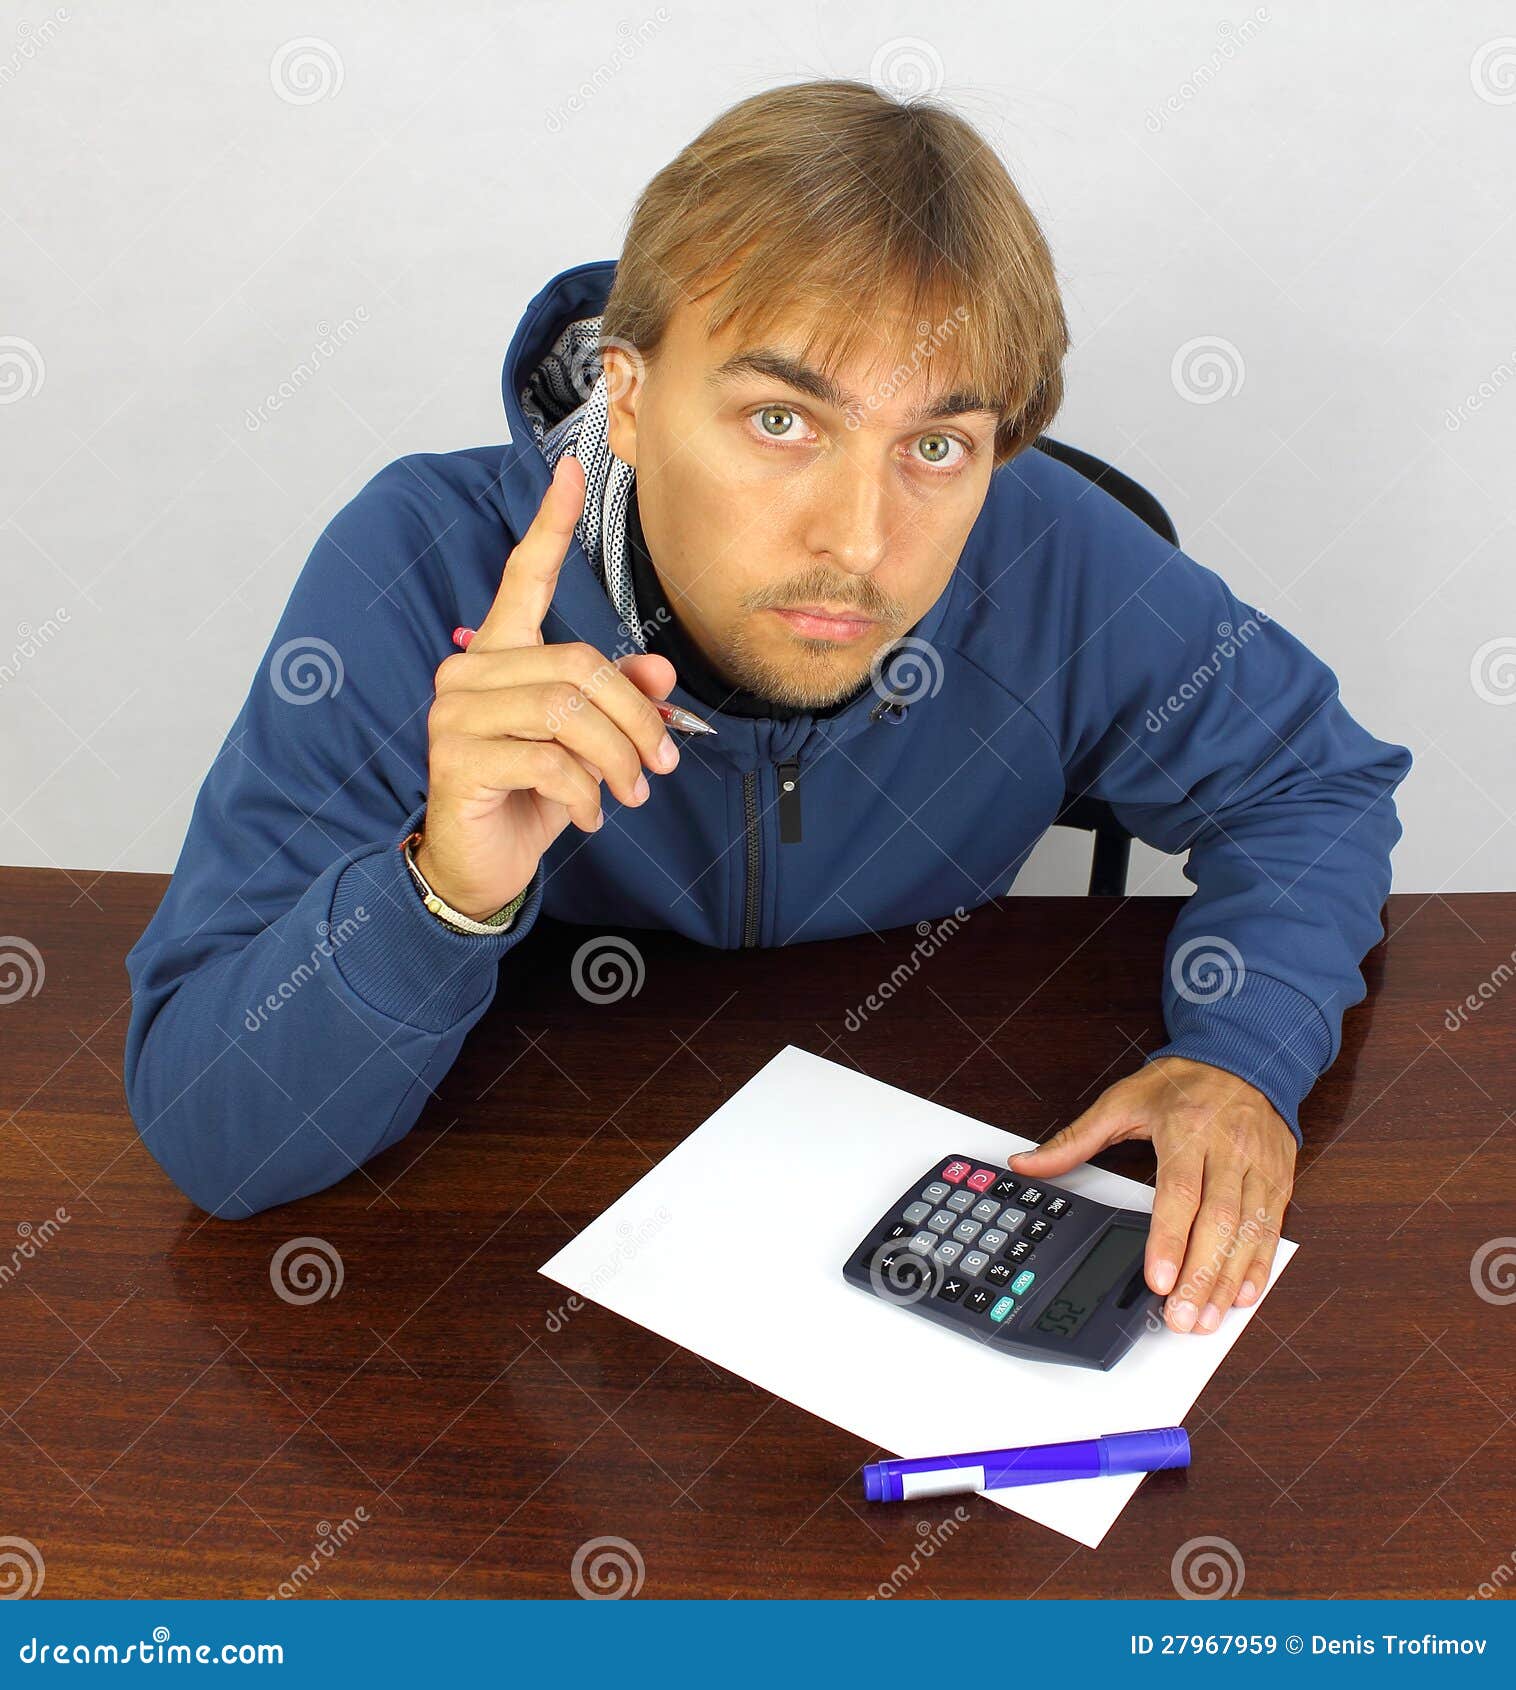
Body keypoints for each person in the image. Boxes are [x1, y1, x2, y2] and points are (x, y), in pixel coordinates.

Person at [124, 79, 1412, 1339]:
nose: (859, 541)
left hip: (904, 1192)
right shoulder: (418, 562)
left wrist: (1245, 1053)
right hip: (536, 1278)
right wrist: (440, 895)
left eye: (939, 445)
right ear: (627, 399)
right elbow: (215, 1145)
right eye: (783, 418)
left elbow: (1312, 780)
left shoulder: (1048, 550)